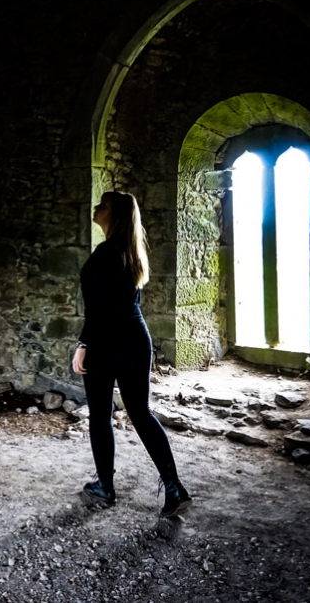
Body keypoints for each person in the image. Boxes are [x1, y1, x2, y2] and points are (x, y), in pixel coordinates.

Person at [72, 191, 192, 518]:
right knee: (140, 413)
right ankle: (174, 487)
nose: (97, 207)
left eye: (104, 204)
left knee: (100, 414)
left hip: (106, 339)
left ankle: (105, 488)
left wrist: (83, 346)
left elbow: (98, 310)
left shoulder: (104, 253)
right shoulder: (131, 253)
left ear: (117, 215)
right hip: (136, 338)